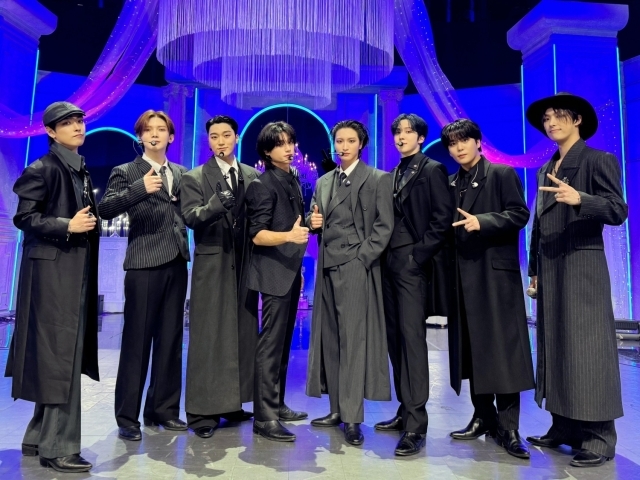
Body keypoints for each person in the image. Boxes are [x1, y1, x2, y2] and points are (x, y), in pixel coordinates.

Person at [525, 93, 627, 468]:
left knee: (588, 349)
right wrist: (534, 270)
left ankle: (599, 438)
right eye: (546, 119)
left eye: (558, 116)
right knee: (555, 345)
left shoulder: (599, 160)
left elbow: (617, 209)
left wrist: (580, 198)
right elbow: (539, 224)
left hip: (582, 266)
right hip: (551, 266)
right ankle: (564, 426)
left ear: (578, 119)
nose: (551, 123)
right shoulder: (545, 168)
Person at [6, 101, 99, 473]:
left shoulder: (78, 168)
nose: (77, 126)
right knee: (60, 357)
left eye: (79, 120)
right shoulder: (42, 168)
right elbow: (24, 217)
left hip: (71, 272)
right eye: (68, 122)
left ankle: (37, 437)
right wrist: (66, 225)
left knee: (59, 356)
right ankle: (58, 448)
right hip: (51, 277)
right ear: (50, 131)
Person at [442, 119, 534, 459]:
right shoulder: (450, 183)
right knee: (473, 350)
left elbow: (519, 214)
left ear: (478, 142)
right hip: (463, 277)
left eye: (464, 140)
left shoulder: (501, 174)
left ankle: (509, 428)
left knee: (503, 351)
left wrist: (483, 221)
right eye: (452, 144)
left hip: (496, 278)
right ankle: (483, 416)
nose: (459, 148)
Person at [99, 110, 190, 441]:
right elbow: (105, 209)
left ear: (170, 136)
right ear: (140, 136)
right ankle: (127, 417)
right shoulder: (126, 171)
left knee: (170, 341)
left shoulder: (181, 173)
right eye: (147, 129)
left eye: (161, 129)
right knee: (137, 343)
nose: (154, 134)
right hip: (143, 265)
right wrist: (140, 188)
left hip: (176, 263)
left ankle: (163, 410)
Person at [306, 120, 393, 446]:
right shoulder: (324, 181)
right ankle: (336, 409)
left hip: (355, 267)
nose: (343, 146)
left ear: (361, 144)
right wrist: (314, 223)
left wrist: (362, 259)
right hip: (327, 266)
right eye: (339, 140)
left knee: (353, 342)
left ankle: (353, 417)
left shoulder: (376, 179)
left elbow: (384, 226)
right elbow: (315, 218)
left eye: (350, 141)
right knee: (330, 340)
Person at [375, 114, 453, 456]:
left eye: (408, 132)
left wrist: (418, 256)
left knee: (412, 341)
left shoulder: (432, 169)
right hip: (387, 264)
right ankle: (404, 409)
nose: (401, 136)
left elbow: (442, 218)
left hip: (411, 265)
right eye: (397, 132)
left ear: (421, 137)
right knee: (394, 340)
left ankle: (416, 424)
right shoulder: (392, 173)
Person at [180, 115, 259, 438]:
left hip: (245, 265)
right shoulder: (195, 177)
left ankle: (231, 403)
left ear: (236, 138)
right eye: (214, 136)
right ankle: (201, 412)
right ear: (209, 141)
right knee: (208, 337)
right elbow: (190, 217)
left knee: (240, 335)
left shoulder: (252, 176)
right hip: (212, 266)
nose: (221, 141)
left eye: (226, 135)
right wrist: (215, 204)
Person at [245, 121, 309, 442]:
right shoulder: (262, 184)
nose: (288, 148)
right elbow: (257, 235)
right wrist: (289, 236)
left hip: (289, 271)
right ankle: (264, 418)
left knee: (283, 345)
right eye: (280, 144)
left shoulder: (292, 179)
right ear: (267, 152)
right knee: (270, 345)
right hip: (272, 273)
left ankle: (278, 404)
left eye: (290, 141)